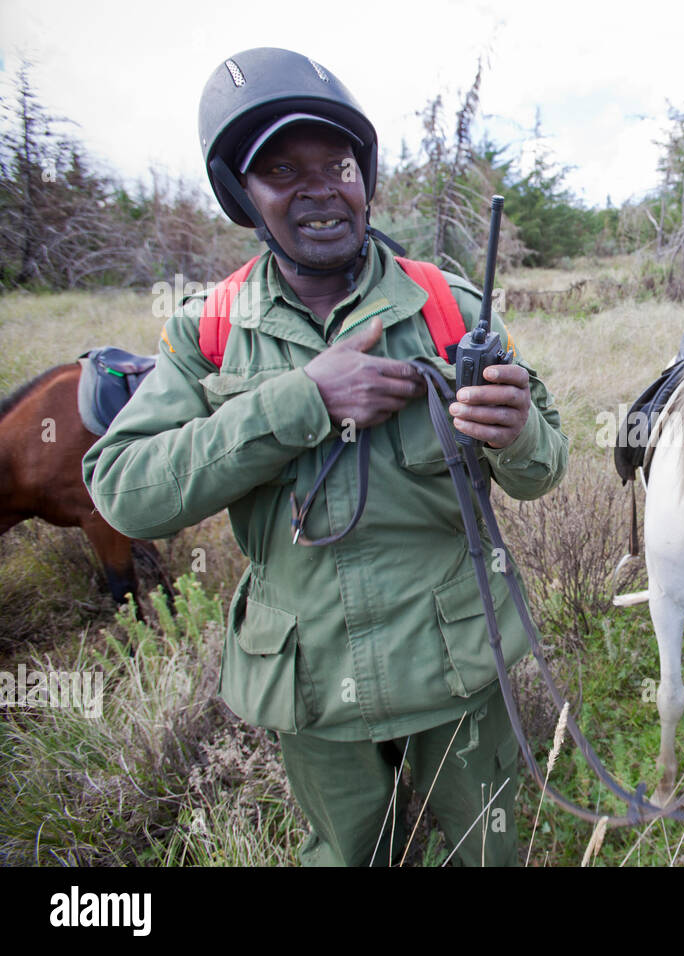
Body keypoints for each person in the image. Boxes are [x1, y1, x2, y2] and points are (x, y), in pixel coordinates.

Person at [83, 47, 568, 866]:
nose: (318, 188)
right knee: (347, 858)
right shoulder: (211, 329)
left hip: (458, 667)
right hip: (311, 687)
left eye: (337, 163)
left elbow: (545, 468)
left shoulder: (450, 306)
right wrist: (301, 400)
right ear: (245, 196)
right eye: (281, 169)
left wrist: (517, 430)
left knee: (486, 853)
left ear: (364, 177)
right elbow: (125, 493)